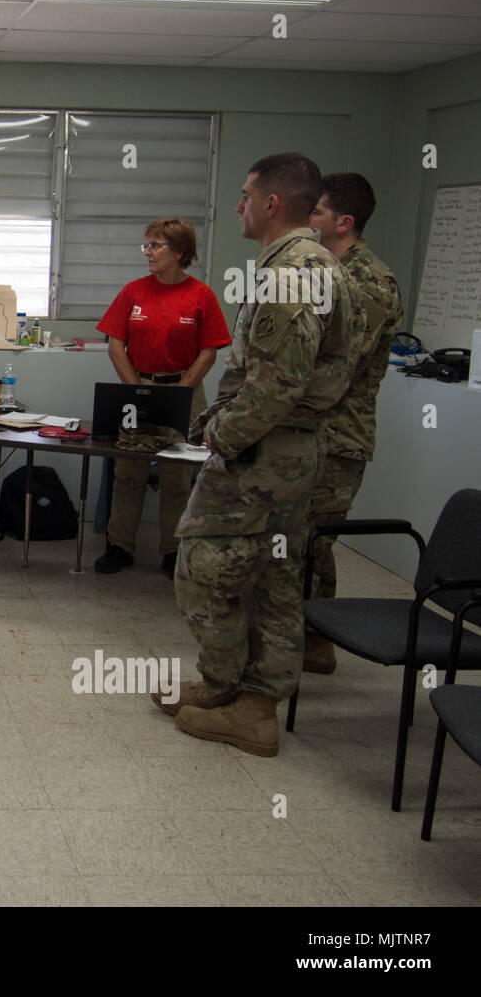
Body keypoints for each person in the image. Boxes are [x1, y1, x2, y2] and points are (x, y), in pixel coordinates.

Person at [156, 152, 362, 757]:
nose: (239, 206)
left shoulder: (291, 275)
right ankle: (243, 699)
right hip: (289, 453)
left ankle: (238, 696)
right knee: (271, 576)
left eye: (246, 196)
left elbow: (277, 384)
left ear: (272, 203)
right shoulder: (313, 265)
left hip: (262, 457)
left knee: (204, 571)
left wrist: (219, 439)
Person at [303, 173, 404, 674]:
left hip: (337, 436)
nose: (309, 218)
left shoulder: (368, 281)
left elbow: (338, 362)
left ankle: (317, 639)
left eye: (316, 212)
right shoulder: (327, 270)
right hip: (308, 428)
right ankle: (298, 632)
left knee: (314, 540)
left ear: (344, 222)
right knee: (297, 538)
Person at [94, 218, 231, 577]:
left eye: (156, 246)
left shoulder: (201, 295)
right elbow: (116, 345)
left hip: (184, 390)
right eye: (146, 245)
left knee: (177, 477)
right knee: (129, 473)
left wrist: (181, 391)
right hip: (138, 387)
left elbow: (209, 351)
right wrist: (136, 387)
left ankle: (173, 551)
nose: (148, 252)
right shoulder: (133, 291)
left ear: (181, 252)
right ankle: (119, 546)